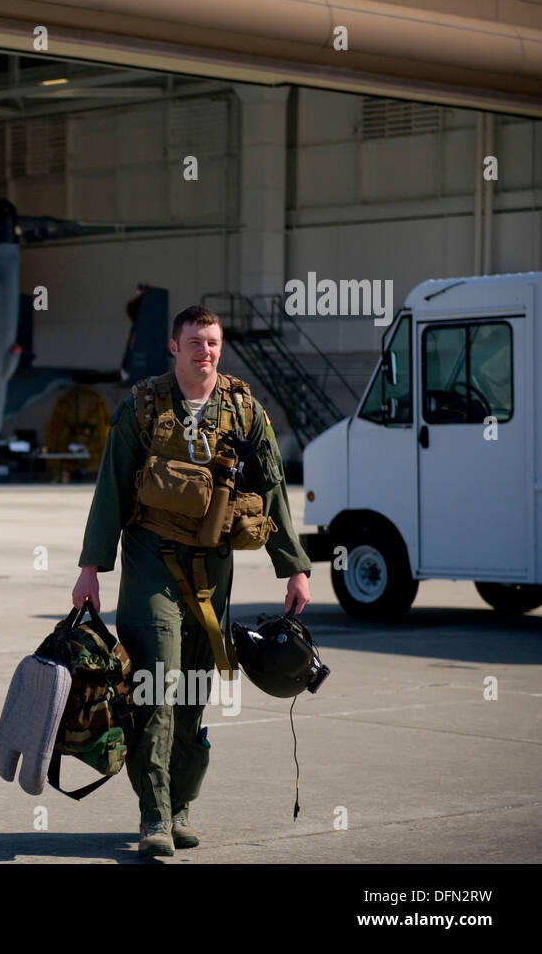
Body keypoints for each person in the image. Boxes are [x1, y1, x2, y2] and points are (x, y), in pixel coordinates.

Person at [71, 304, 311, 858]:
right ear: (174, 348)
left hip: (215, 570)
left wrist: (293, 566)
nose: (206, 351)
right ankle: (153, 814)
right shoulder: (144, 406)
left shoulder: (244, 411)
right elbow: (111, 490)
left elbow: (272, 490)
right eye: (195, 342)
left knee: (195, 694)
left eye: (213, 342)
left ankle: (180, 806)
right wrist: (91, 568)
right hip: (152, 563)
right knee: (156, 681)